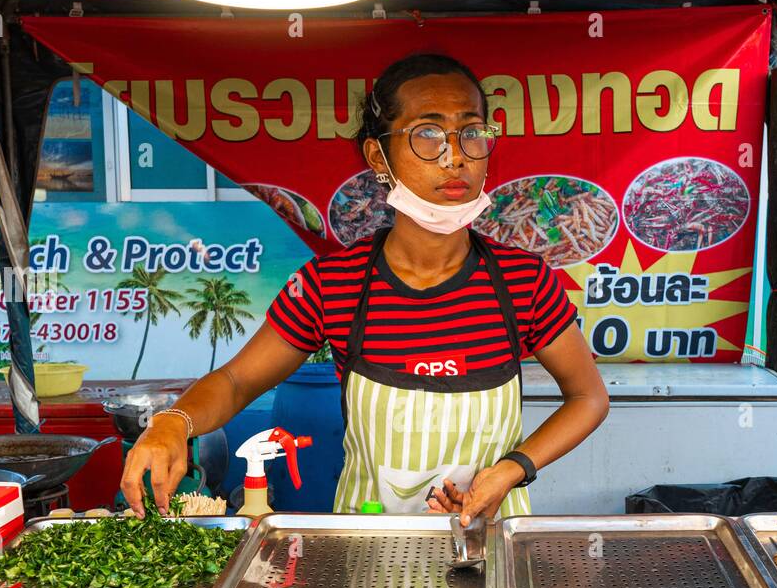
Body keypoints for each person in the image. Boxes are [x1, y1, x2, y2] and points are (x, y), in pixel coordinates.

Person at [121, 53, 608, 524]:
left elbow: (588, 398)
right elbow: (235, 382)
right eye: (428, 134)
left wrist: (512, 469)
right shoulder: (333, 283)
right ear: (380, 154)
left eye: (472, 132)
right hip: (367, 548)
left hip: (489, 541)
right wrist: (173, 422)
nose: (455, 156)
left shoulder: (524, 281)